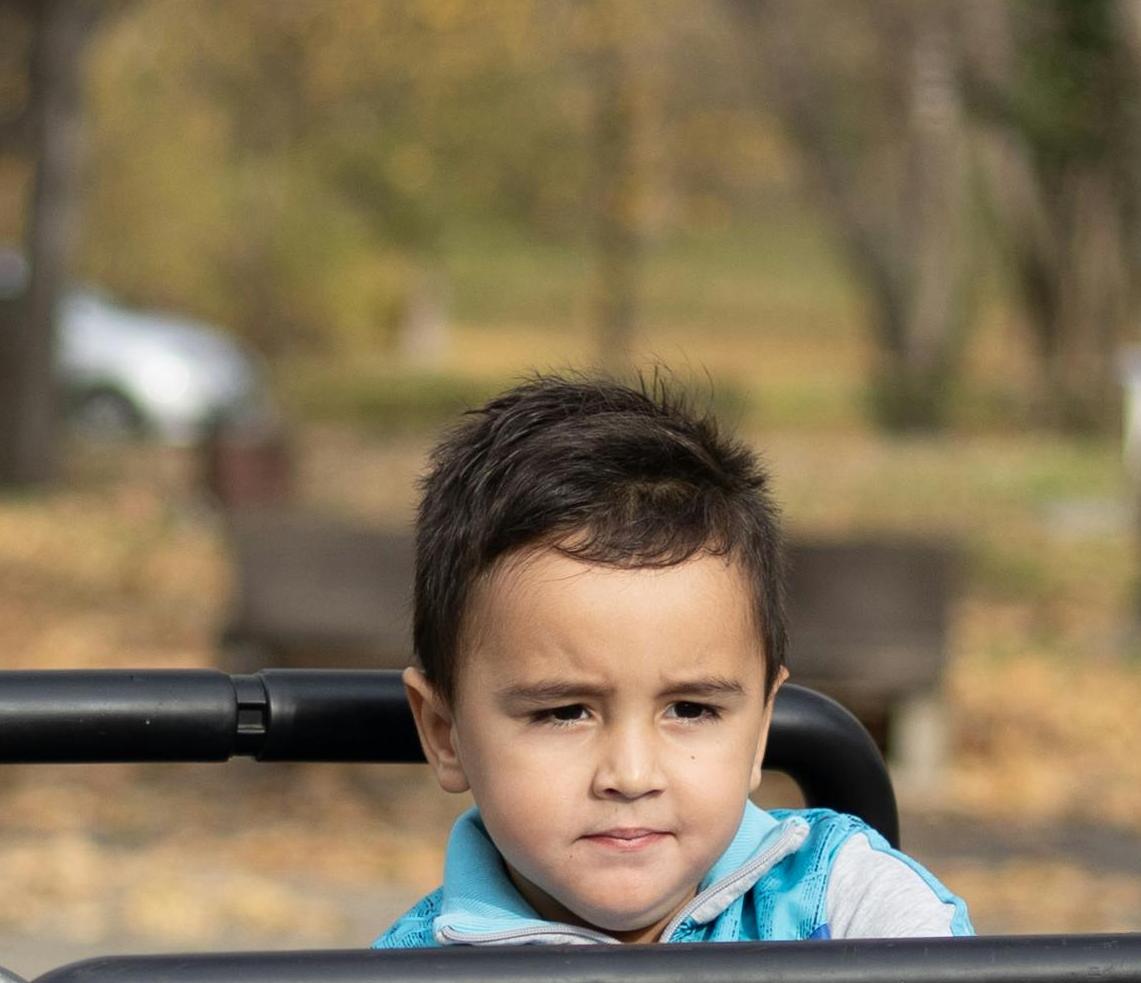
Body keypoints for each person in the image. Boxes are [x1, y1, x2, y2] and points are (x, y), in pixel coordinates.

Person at [379, 373, 968, 948]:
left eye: (690, 708)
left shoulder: (847, 907)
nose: (632, 777)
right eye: (564, 712)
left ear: (761, 726)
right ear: (444, 733)